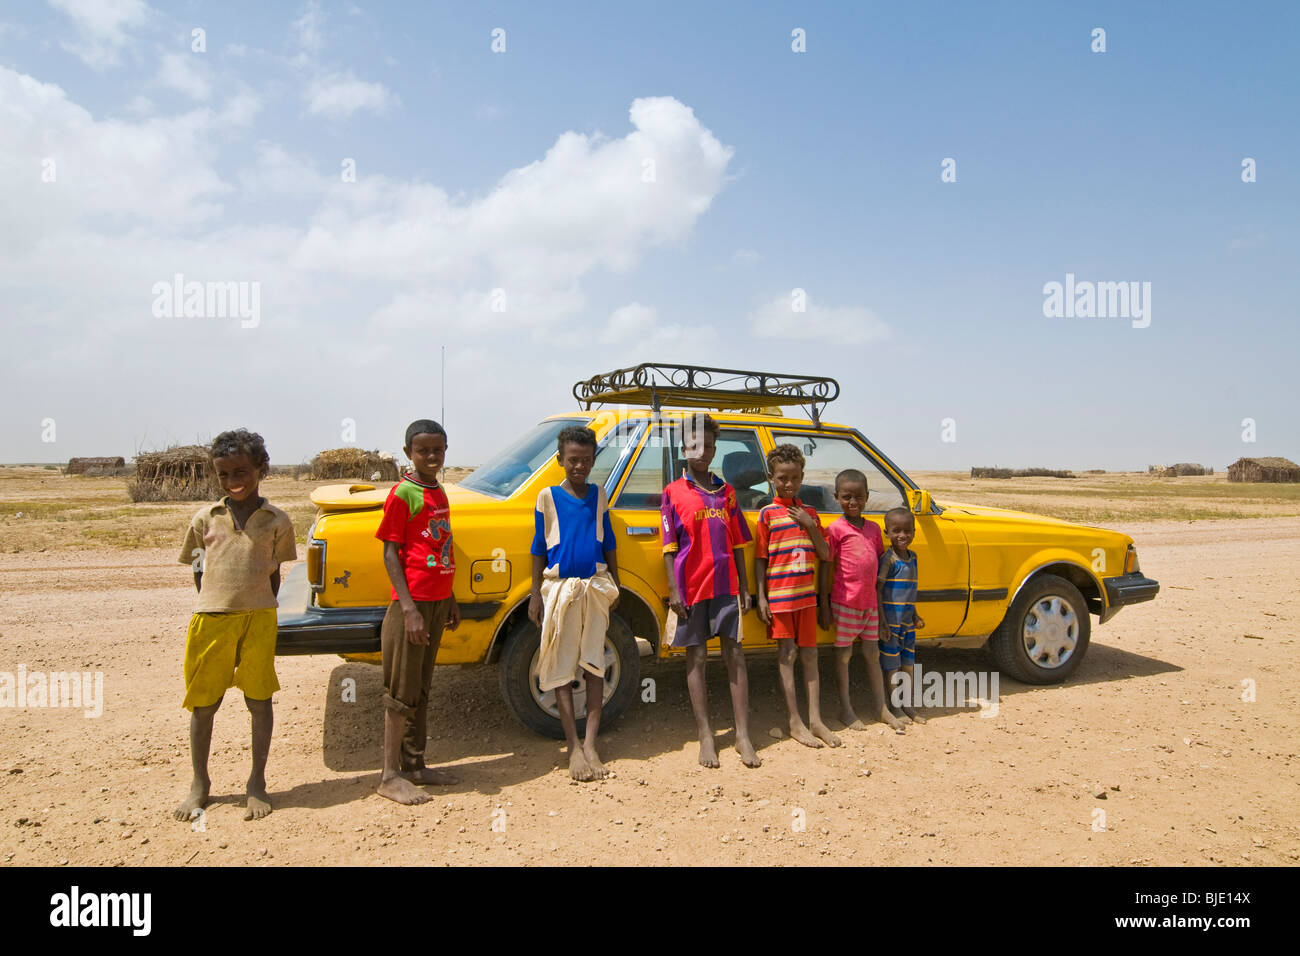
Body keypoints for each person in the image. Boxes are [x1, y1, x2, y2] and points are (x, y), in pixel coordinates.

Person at [174, 429, 297, 823]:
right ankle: (199, 784)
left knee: (259, 702)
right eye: (224, 474)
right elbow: (198, 569)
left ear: (261, 469)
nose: (233, 481)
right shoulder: (204, 518)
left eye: (241, 471)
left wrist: (260, 603)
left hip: (260, 620)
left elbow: (274, 573)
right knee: (203, 705)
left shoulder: (277, 520)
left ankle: (257, 784)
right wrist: (216, 604)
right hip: (211, 620)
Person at [661, 414, 760, 768]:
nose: (700, 451)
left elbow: (737, 545)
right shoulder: (673, 493)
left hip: (727, 586)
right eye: (693, 445)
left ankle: (742, 735)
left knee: (735, 655)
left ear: (714, 449)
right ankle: (706, 735)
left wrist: (746, 587)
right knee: (697, 657)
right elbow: (669, 547)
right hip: (691, 587)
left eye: (706, 446)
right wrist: (674, 590)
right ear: (684, 448)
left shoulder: (726, 492)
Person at [375, 419, 462, 805]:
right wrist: (409, 609)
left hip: (437, 602)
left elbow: (442, 545)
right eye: (423, 450)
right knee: (400, 693)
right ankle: (388, 775)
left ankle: (415, 765)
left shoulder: (437, 490)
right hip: (411, 606)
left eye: (438, 450)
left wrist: (451, 597)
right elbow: (391, 552)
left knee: (421, 689)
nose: (431, 456)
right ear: (409, 452)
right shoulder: (403, 494)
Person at [528, 426, 621, 781]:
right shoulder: (547, 498)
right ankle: (573, 747)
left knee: (594, 664)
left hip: (595, 588)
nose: (579, 466)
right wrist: (536, 594)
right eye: (572, 460)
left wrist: (616, 583)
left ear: (594, 460)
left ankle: (592, 744)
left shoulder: (599, 496)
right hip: (560, 590)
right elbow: (539, 547)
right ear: (560, 460)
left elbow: (608, 541)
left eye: (585, 460)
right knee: (562, 666)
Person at [755, 443, 839, 749]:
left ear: (802, 477)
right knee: (787, 655)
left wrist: (809, 525)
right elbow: (760, 558)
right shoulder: (767, 514)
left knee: (811, 656)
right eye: (782, 478)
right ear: (771, 478)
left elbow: (827, 553)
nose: (788, 484)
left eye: (794, 478)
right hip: (780, 598)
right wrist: (761, 597)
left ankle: (816, 720)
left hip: (806, 598)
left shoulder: (812, 514)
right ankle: (794, 721)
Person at [818, 470, 906, 733]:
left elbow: (879, 569)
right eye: (846, 497)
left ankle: (881, 708)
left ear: (867, 497)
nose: (853, 502)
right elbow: (826, 567)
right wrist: (824, 604)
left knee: (872, 653)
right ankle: (846, 708)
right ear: (837, 498)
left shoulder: (873, 530)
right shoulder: (835, 529)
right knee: (844, 655)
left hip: (869, 604)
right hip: (845, 604)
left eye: (858, 497)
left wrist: (881, 610)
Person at [879, 507, 927, 724]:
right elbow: (877, 590)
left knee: (908, 664)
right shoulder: (888, 559)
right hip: (891, 624)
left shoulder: (914, 558)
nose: (902, 536)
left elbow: (910, 592)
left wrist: (915, 616)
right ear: (886, 532)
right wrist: (882, 622)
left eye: (907, 531)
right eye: (896, 531)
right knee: (891, 666)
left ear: (914, 532)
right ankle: (895, 705)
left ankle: (908, 703)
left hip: (907, 623)